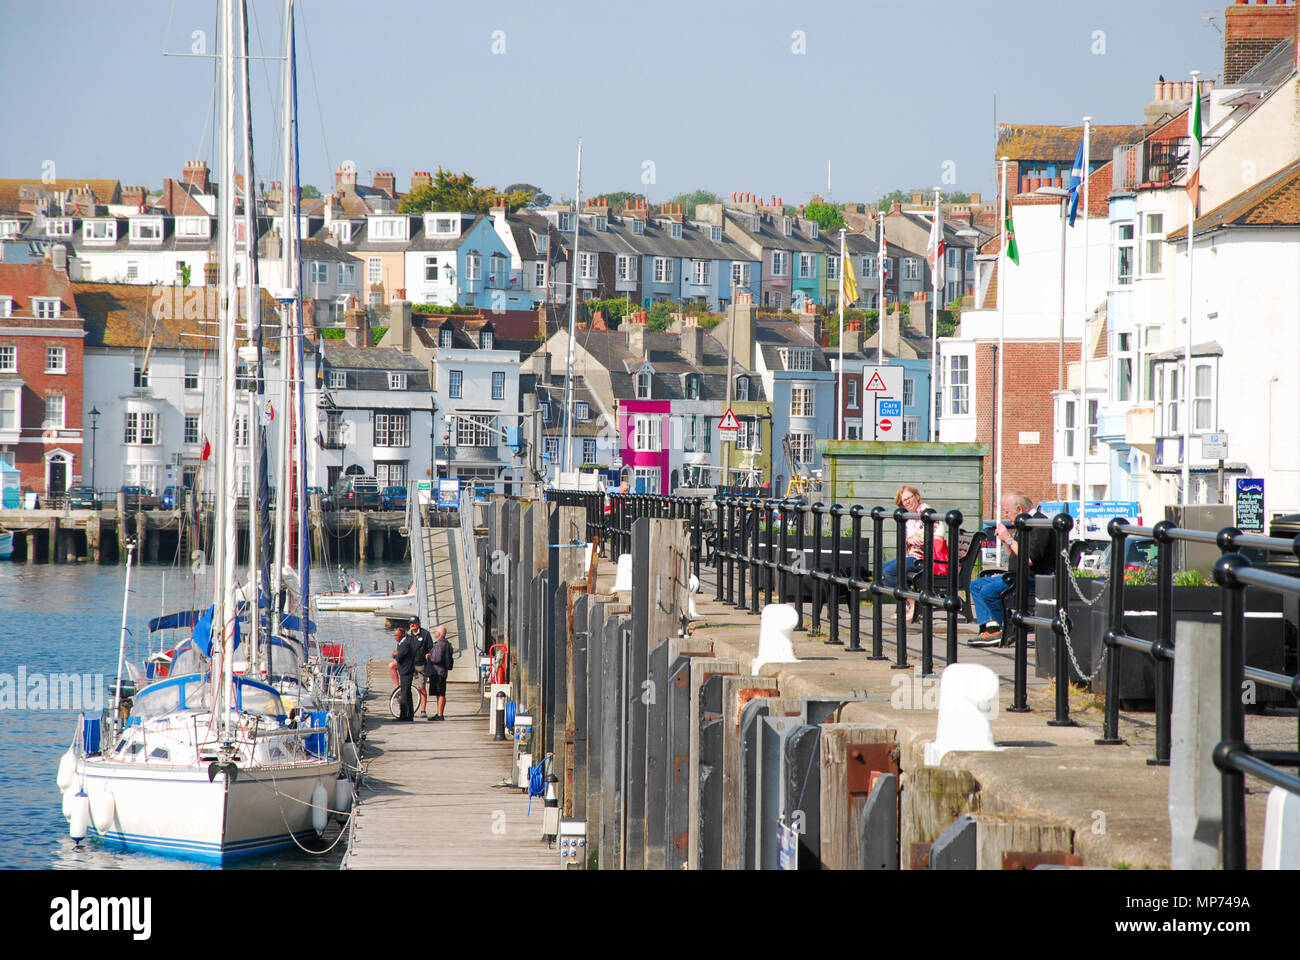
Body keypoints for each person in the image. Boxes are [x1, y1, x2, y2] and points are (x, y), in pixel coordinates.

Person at [969, 491, 1056, 647]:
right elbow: (1013, 558)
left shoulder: (1039, 525)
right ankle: (993, 628)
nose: (1006, 515)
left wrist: (1009, 537)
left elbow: (1029, 560)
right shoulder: (1024, 524)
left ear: (1020, 510)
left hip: (1032, 579)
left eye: (1007, 511)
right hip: (1016, 575)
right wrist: (1005, 540)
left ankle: (1007, 628)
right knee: (976, 585)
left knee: (988, 591)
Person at [877, 484, 931, 620]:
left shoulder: (925, 511)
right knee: (879, 571)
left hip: (922, 558)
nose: (907, 502)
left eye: (909, 498)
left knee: (889, 572)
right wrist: (909, 539)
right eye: (904, 500)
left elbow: (936, 530)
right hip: (910, 556)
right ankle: (907, 603)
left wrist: (918, 538)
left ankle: (912, 604)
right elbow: (907, 538)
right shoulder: (908, 516)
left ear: (917, 497)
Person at [407, 616, 433, 718]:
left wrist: (428, 655)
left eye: (414, 623)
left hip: (422, 665)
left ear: (418, 623)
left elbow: (430, 648)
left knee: (422, 687)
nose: (412, 625)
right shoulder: (408, 636)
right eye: (410, 623)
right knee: (410, 687)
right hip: (411, 665)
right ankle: (409, 709)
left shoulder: (425, 634)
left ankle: (423, 710)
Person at [425, 624, 452, 721]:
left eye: (435, 632)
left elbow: (437, 658)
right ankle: (439, 713)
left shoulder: (440, 644)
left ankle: (440, 714)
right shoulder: (444, 643)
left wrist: (429, 656)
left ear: (439, 634)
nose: (434, 634)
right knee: (439, 693)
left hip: (438, 672)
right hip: (441, 671)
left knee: (440, 693)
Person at [392, 624, 418, 721]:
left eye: (396, 636)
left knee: (404, 693)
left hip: (406, 670)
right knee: (407, 693)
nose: (395, 637)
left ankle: (404, 715)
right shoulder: (402, 643)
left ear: (402, 635)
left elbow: (399, 657)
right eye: (394, 635)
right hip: (404, 669)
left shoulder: (405, 643)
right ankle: (409, 715)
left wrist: (395, 654)